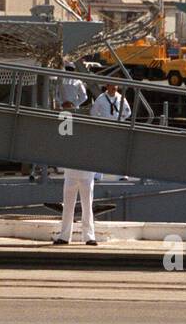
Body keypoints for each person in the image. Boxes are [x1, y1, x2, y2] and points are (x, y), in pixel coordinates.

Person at [55, 81, 130, 245]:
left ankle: (88, 236)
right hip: (72, 173)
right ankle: (64, 235)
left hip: (84, 174)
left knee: (86, 207)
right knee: (69, 206)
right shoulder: (68, 127)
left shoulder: (89, 131)